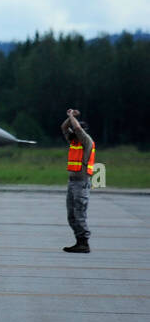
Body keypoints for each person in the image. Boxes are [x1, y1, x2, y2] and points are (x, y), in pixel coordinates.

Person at [61, 108, 95, 253]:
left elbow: (77, 128)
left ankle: (84, 243)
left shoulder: (87, 142)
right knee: (71, 215)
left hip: (81, 182)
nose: (73, 132)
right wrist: (70, 117)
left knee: (79, 214)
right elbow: (64, 127)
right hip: (73, 182)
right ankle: (79, 242)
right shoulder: (74, 142)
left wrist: (71, 115)